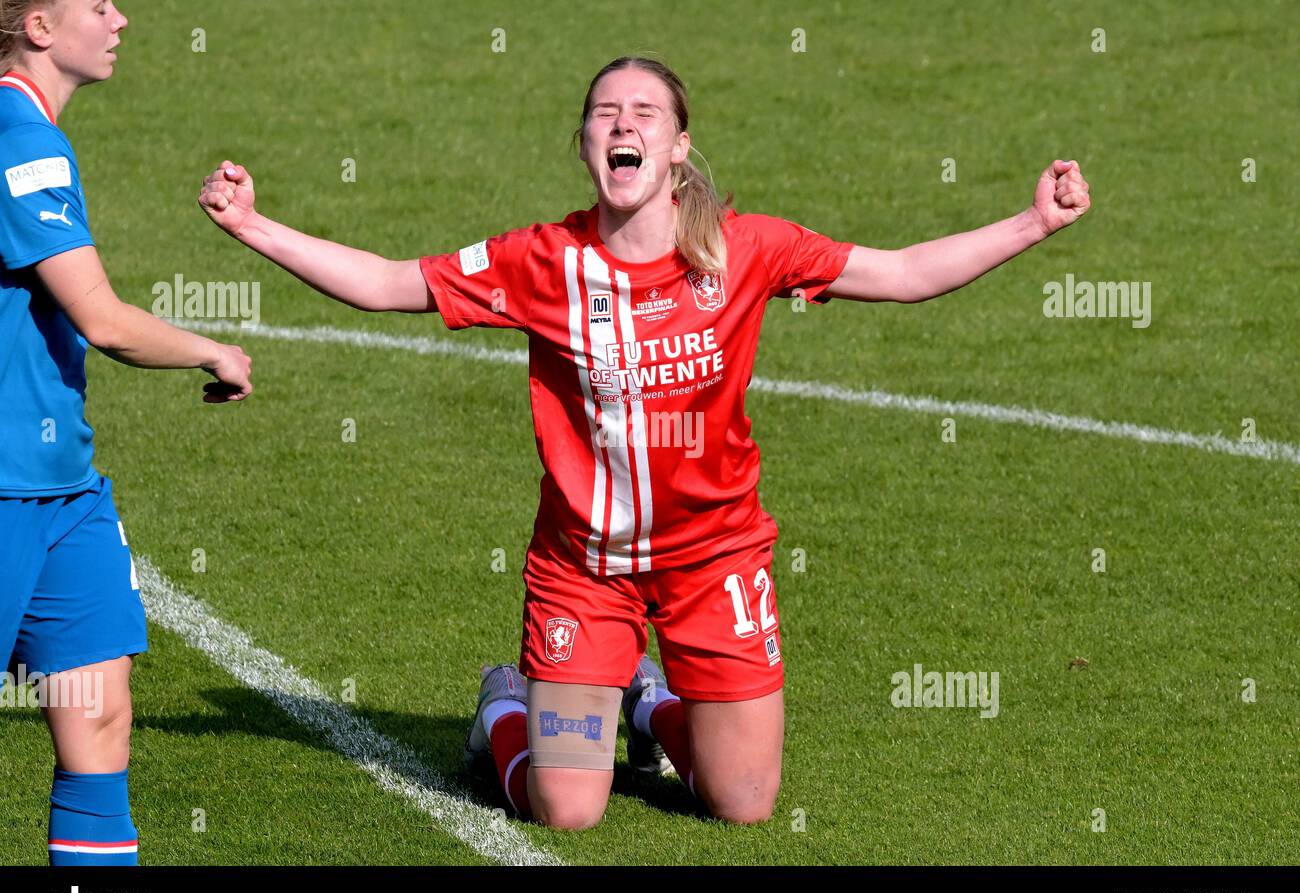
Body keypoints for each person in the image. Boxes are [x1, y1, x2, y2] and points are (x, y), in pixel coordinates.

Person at [198, 56, 1089, 830]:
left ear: (677, 147)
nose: (621, 125)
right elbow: (391, 284)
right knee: (569, 808)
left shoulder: (749, 249)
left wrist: (1033, 223)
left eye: (643, 114)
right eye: (604, 114)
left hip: (716, 560)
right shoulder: (540, 260)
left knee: (741, 802)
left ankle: (649, 701)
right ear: (589, 146)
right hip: (585, 573)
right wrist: (251, 226)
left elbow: (898, 273)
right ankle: (504, 708)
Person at [0, 0, 253, 865]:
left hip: (62, 494)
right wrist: (215, 350)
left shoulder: (34, 132)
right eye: (97, 5)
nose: (121, 18)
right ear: (39, 26)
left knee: (100, 722)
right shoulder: (17, 140)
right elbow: (103, 321)